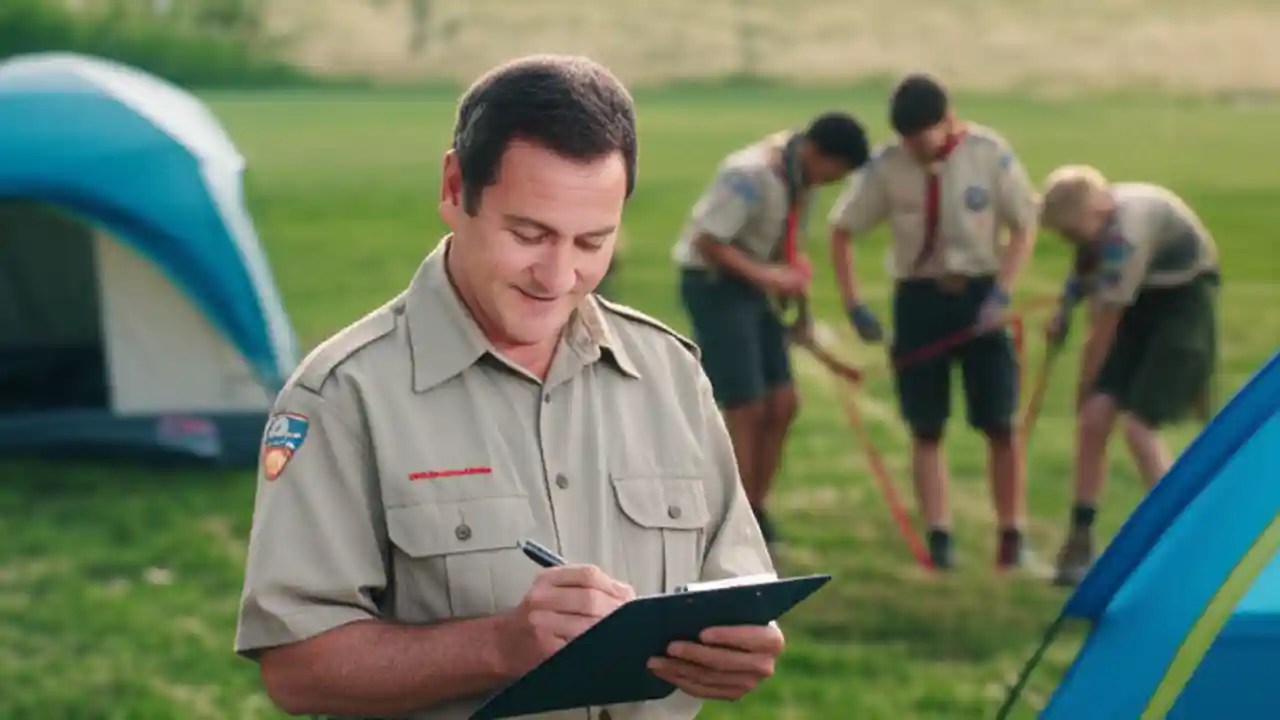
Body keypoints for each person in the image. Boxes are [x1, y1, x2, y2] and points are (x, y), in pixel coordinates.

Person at [234, 55, 784, 720]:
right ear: (454, 187)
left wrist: (743, 646)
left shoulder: (669, 373)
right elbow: (296, 670)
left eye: (592, 242)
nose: (557, 276)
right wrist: (497, 646)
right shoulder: (343, 395)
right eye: (529, 234)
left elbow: (738, 585)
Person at [826, 73, 1040, 570]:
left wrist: (1002, 293)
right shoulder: (887, 166)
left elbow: (1024, 224)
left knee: (1000, 423)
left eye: (923, 138)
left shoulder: (989, 154)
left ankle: (1012, 534)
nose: (915, 149)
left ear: (948, 120)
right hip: (919, 300)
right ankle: (940, 536)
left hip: (980, 293)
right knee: (926, 425)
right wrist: (854, 303)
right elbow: (842, 228)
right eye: (906, 139)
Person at [671, 113, 871, 550]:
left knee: (783, 403)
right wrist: (769, 276)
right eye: (834, 173)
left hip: (758, 289)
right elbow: (707, 240)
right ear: (817, 152)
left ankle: (756, 509)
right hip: (716, 286)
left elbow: (785, 240)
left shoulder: (801, 177)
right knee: (747, 406)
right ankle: (730, 521)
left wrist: (792, 284)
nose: (830, 183)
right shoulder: (749, 174)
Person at [1038, 165, 1220, 586]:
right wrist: (1063, 312)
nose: (1071, 241)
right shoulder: (1094, 220)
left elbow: (1104, 325)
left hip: (1182, 300)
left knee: (1138, 428)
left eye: (1073, 233)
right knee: (1094, 420)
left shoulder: (1126, 236)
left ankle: (1185, 537)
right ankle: (1080, 539)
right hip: (1141, 299)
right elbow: (1085, 268)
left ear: (1099, 212)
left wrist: (1085, 385)